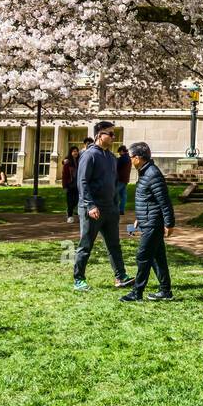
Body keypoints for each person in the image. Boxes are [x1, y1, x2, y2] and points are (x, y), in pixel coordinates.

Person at [72, 121, 133, 292]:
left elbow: (114, 183)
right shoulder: (89, 155)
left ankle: (120, 276)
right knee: (86, 244)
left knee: (114, 244)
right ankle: (79, 279)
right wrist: (90, 205)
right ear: (100, 135)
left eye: (114, 134)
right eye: (110, 134)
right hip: (92, 209)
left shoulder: (112, 158)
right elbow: (82, 182)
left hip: (110, 209)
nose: (114, 137)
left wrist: (115, 204)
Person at [121, 142, 175, 302]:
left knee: (143, 256)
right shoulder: (145, 172)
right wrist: (139, 218)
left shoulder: (152, 174)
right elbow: (148, 200)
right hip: (148, 221)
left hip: (154, 223)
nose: (129, 160)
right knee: (157, 257)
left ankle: (136, 292)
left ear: (138, 158)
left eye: (130, 157)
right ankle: (166, 291)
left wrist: (169, 223)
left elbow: (164, 201)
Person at [61, 146, 80, 223]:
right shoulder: (67, 162)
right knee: (70, 201)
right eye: (74, 151)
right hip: (70, 184)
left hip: (78, 184)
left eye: (76, 151)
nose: (75, 152)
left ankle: (70, 210)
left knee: (76, 200)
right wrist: (64, 185)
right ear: (71, 152)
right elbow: (64, 175)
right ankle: (70, 216)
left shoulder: (80, 160)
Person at [115, 144, 132, 219]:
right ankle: (121, 210)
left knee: (114, 194)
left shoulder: (123, 158)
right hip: (125, 179)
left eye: (119, 152)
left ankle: (115, 209)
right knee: (123, 196)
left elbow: (116, 165)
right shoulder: (128, 158)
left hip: (120, 179)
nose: (119, 154)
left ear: (122, 151)